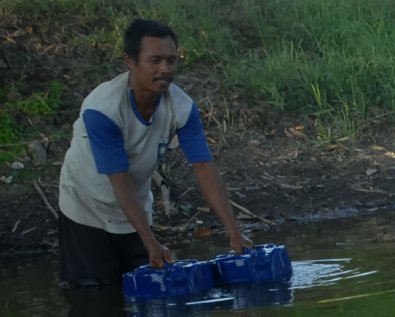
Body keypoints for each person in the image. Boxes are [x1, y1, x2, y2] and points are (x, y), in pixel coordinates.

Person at [57, 18, 252, 287]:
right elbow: (119, 178)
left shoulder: (182, 107)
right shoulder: (103, 110)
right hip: (86, 207)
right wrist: (150, 242)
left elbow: (204, 167)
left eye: (171, 61)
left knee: (147, 291)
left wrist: (235, 232)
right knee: (94, 297)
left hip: (135, 207)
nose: (165, 69)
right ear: (130, 61)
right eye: (155, 60)